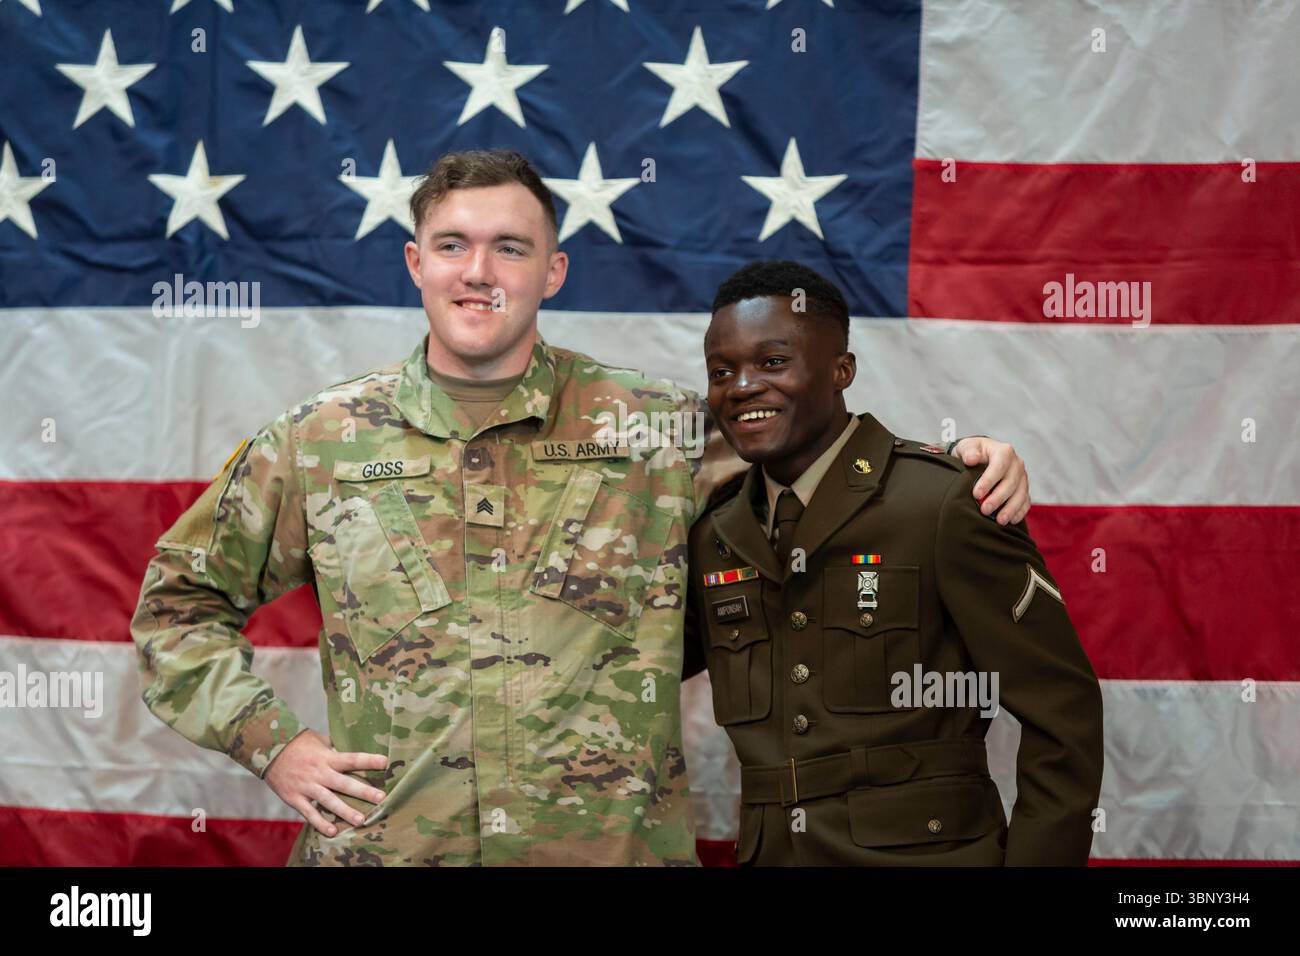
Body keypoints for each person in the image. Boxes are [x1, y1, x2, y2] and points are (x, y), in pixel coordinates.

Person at [129, 149, 1032, 866]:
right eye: (452, 245)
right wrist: (273, 743)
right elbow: (176, 607)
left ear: (552, 271)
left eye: (509, 248)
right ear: (416, 262)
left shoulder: (656, 429)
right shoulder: (319, 441)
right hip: (390, 853)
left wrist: (959, 462)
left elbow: (826, 462)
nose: (478, 272)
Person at [683, 260, 1104, 866]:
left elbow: (1063, 714)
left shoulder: (943, 502)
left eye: (773, 362)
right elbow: (639, 654)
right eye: (722, 371)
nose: (742, 385)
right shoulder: (717, 531)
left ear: (841, 369)